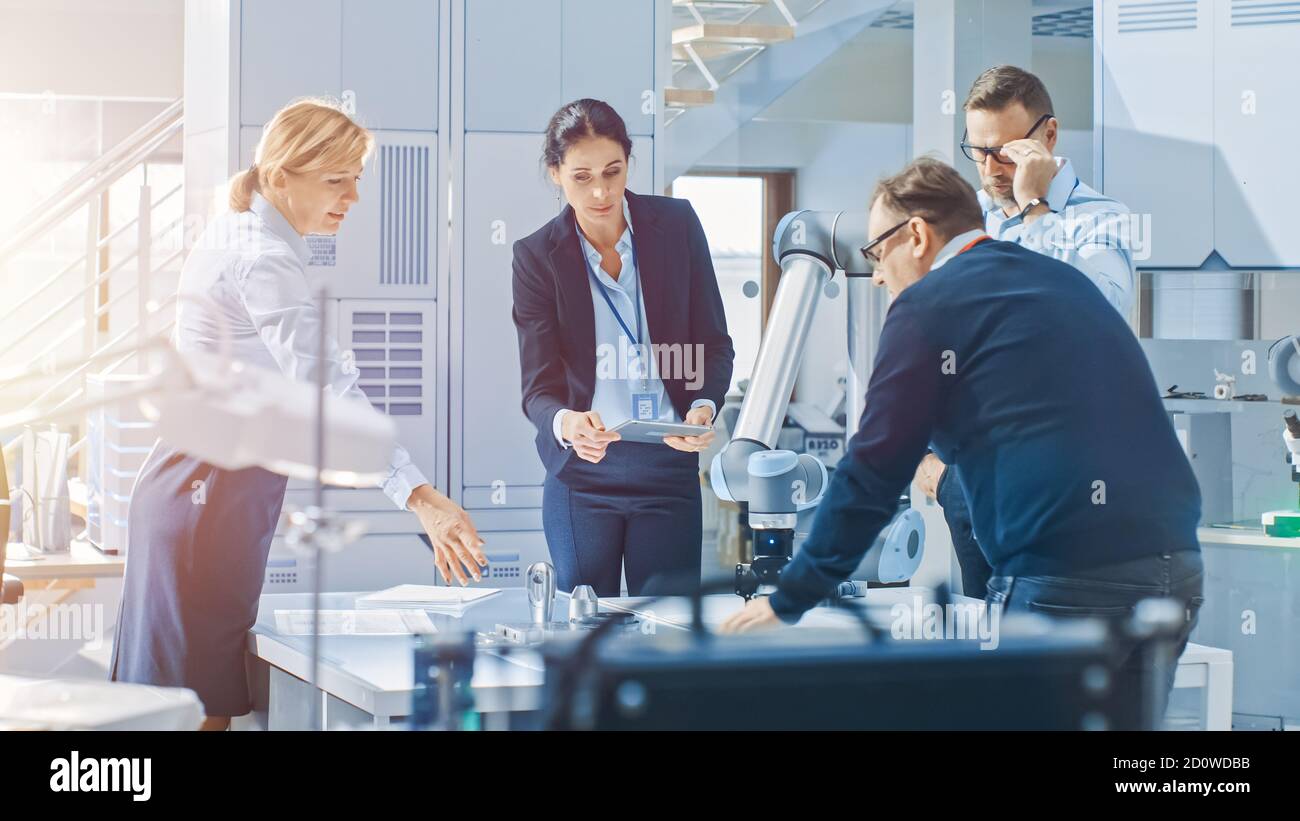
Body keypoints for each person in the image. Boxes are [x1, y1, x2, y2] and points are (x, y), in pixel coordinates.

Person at [720, 158, 1203, 723]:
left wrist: (792, 597)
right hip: (1176, 565)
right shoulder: (1059, 277)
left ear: (918, 236)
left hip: (1064, 577)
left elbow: (872, 473)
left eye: (876, 254)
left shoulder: (929, 306)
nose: (875, 275)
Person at [110, 99, 486, 730]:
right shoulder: (263, 256)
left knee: (180, 711)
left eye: (356, 178)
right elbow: (326, 389)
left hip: (204, 492)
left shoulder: (240, 230)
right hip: (207, 498)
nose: (354, 197)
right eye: (337, 180)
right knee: (196, 716)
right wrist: (419, 495)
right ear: (281, 176)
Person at [919, 65, 1142, 597]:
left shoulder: (1101, 220)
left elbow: (1095, 317)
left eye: (1007, 151)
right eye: (978, 151)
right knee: (985, 662)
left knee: (1052, 658)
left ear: (1047, 137)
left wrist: (1035, 209)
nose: (991, 168)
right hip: (972, 483)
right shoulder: (976, 227)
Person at [512, 98, 734, 597]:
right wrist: (566, 423)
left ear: (629, 162)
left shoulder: (676, 226)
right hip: (583, 476)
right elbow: (538, 387)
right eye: (581, 176)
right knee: (586, 635)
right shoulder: (536, 257)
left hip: (668, 470)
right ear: (556, 174)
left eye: (613, 171)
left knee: (671, 633)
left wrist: (702, 405)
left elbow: (715, 343)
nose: (600, 191)